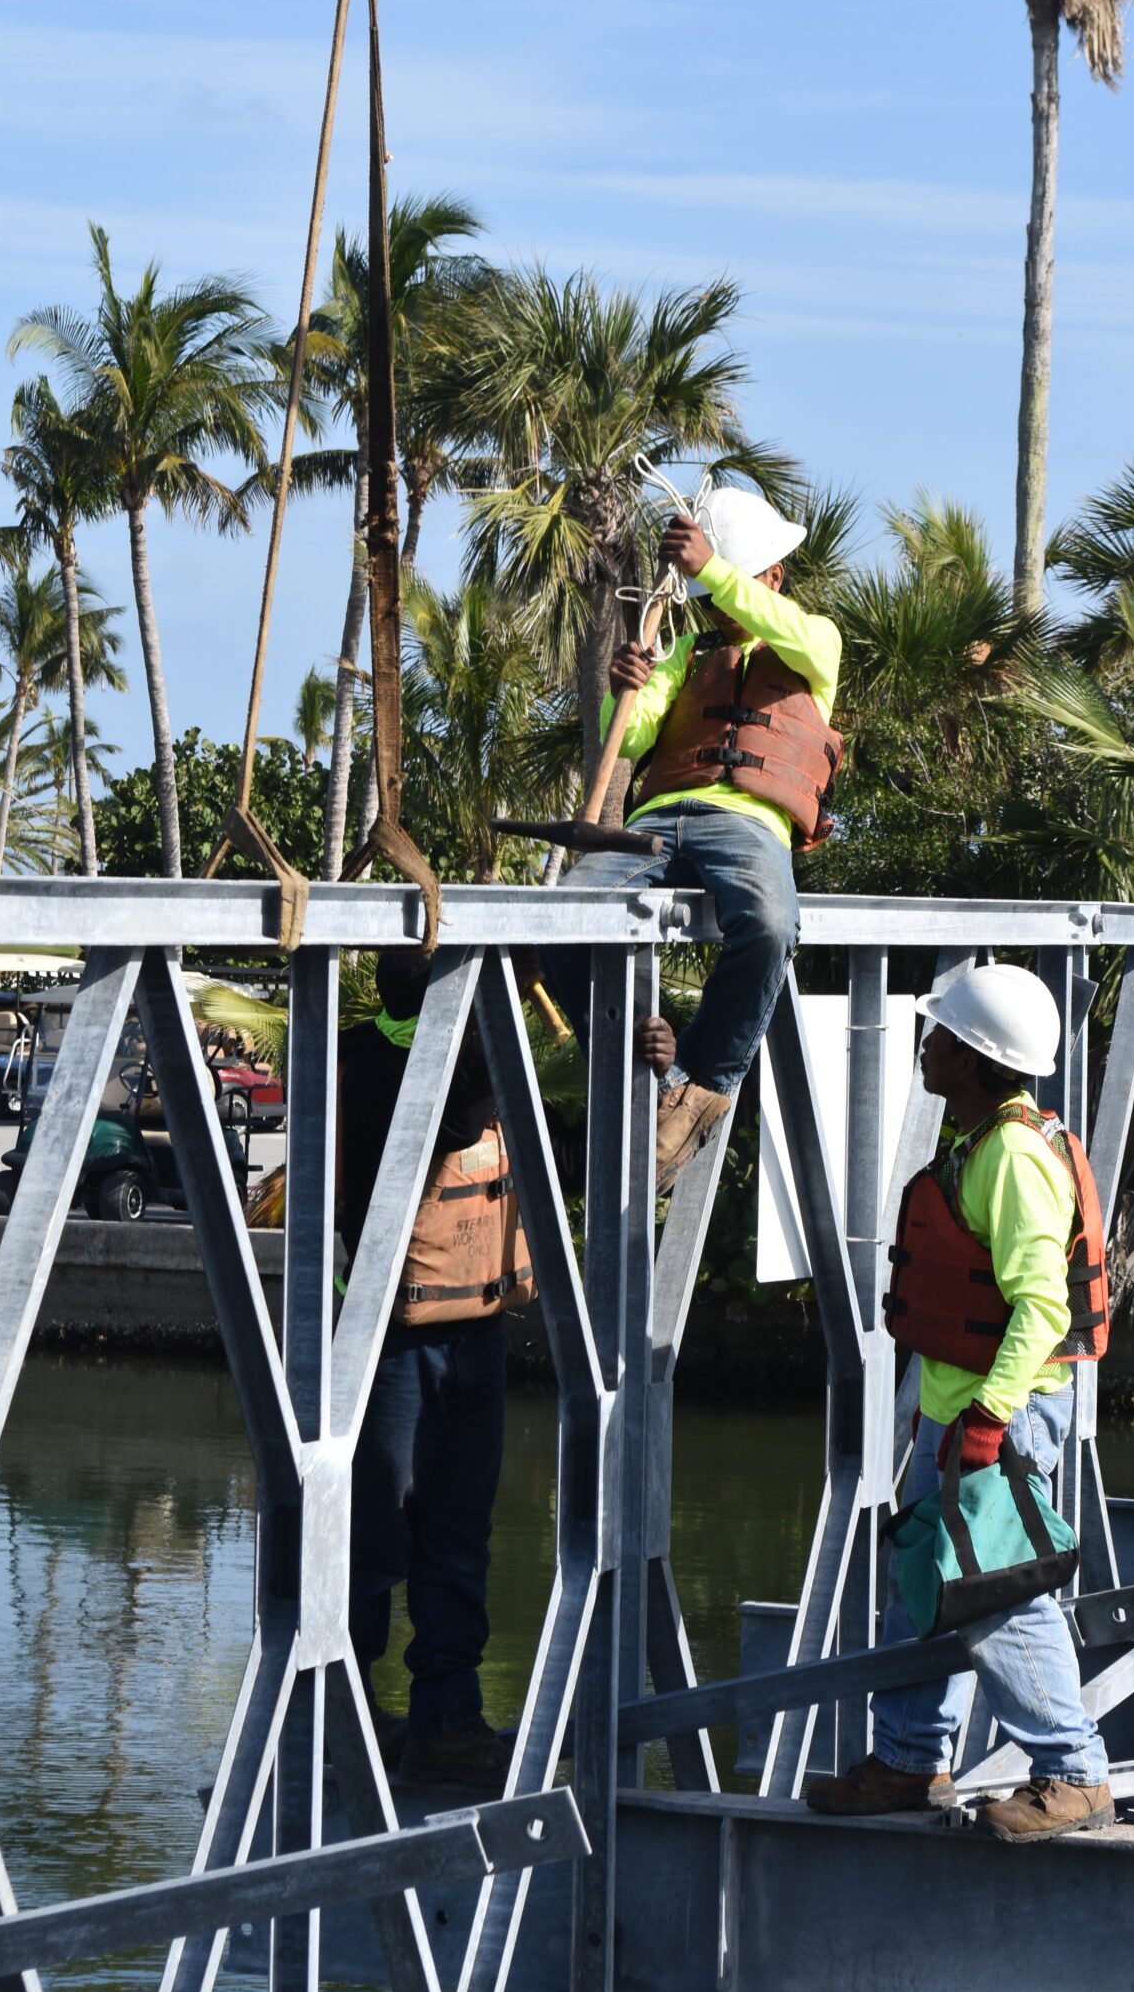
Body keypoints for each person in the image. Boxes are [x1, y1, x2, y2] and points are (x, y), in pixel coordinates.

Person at [809, 963, 1112, 1844]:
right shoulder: (987, 1137)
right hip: (963, 1409)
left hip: (999, 1417)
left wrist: (985, 1419)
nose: (925, 1047)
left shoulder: (1013, 1156)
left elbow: (1042, 1306)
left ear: (978, 1058)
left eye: (940, 1036)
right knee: (920, 1588)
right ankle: (907, 1758)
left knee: (995, 1591)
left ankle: (1074, 1772)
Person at [542, 488, 844, 1191]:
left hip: (747, 823)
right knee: (557, 921)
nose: (713, 603)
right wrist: (632, 688)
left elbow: (779, 623)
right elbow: (640, 734)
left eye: (728, 583)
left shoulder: (812, 641)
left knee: (769, 926)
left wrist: (711, 567)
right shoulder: (683, 653)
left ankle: (702, 1083)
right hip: (659, 819)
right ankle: (650, 1070)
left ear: (767, 578)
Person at [340, 950, 533, 1789]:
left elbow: (558, 1138)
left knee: (457, 1531)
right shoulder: (373, 1060)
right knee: (370, 1535)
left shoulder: (479, 1064)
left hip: (471, 1330)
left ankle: (445, 1723)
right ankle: (334, 1716)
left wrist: (646, 1068)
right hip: (380, 1339)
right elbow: (455, 1114)